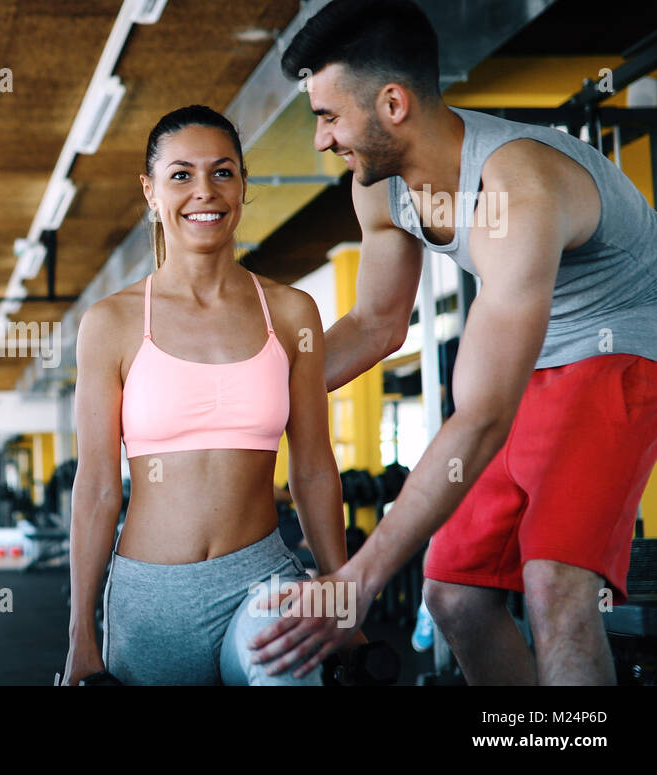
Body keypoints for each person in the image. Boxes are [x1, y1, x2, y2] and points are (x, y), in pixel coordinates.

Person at [250, 0, 657, 685]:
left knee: (556, 587)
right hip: (530, 363)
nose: (320, 139)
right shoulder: (379, 193)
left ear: (392, 103)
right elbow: (376, 325)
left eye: (328, 117)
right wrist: (252, 388)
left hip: (617, 353)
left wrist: (359, 578)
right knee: (454, 594)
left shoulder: (516, 187)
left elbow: (481, 416)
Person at [62, 105, 353, 686]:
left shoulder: (292, 312)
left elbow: (315, 467)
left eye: (223, 172)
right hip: (150, 598)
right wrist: (80, 635)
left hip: (262, 580)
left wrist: (343, 594)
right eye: (181, 175)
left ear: (244, 184)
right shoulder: (111, 322)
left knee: (288, 676)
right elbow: (96, 484)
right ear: (150, 191)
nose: (205, 191)